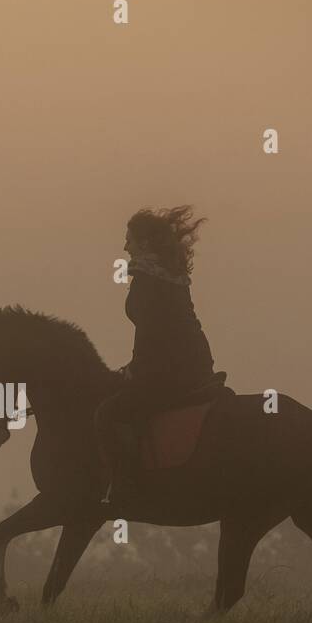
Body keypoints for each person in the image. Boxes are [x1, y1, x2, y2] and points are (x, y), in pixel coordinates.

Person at [95, 205, 221, 504]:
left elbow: (151, 334)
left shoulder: (148, 279)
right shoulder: (168, 274)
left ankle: (125, 485)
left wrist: (135, 370)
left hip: (169, 369)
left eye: (130, 239)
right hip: (192, 363)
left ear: (144, 243)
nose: (125, 245)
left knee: (108, 413)